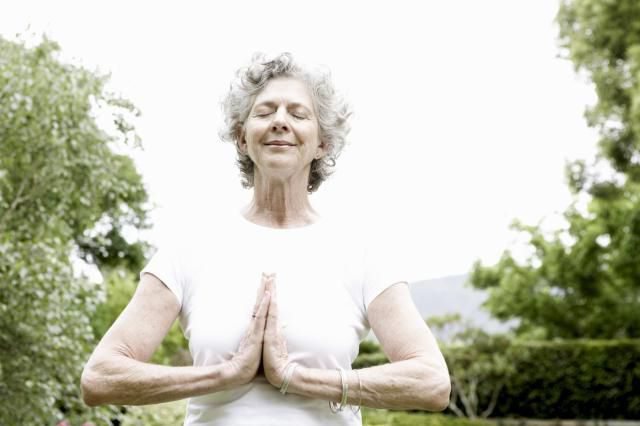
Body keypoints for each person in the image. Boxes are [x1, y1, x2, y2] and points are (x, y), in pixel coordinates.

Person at [81, 52, 451, 425]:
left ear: (322, 142)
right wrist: (225, 375)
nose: (279, 122)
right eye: (264, 112)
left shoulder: (362, 253)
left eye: (298, 113)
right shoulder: (190, 248)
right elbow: (100, 377)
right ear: (242, 138)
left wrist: (295, 377)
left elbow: (432, 382)